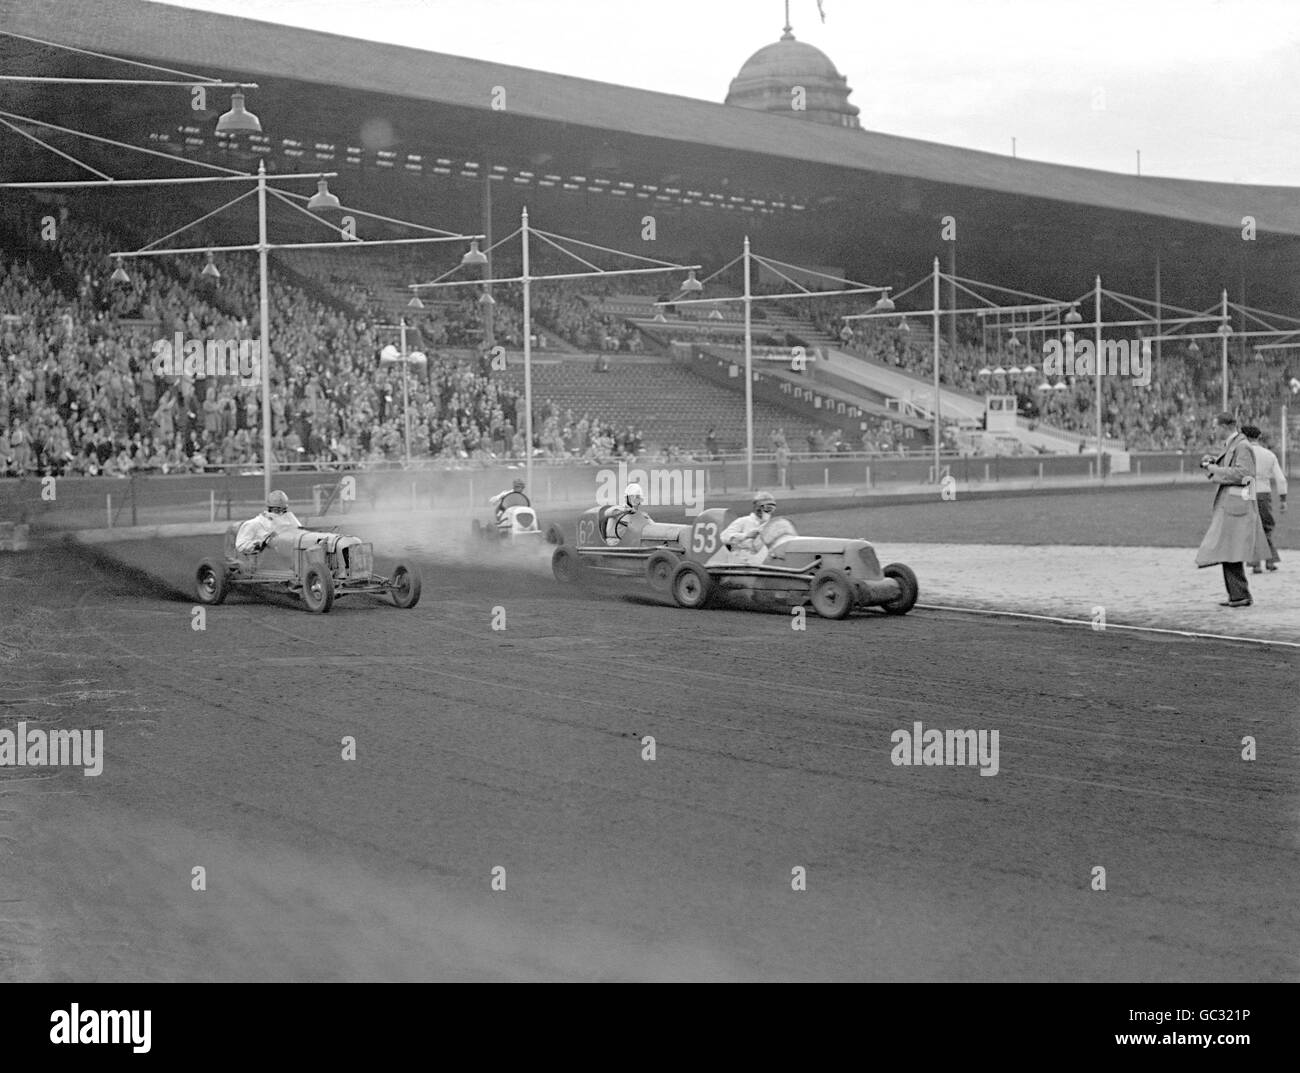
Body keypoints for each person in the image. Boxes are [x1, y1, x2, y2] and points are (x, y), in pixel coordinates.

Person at [1194, 413, 1271, 607]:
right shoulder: (1234, 445)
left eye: (1215, 426)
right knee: (1229, 550)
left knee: (1230, 550)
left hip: (1236, 506)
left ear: (1225, 426)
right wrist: (1213, 464)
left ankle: (1240, 595)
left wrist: (1215, 470)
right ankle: (1237, 595)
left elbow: (1244, 474)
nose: (1213, 430)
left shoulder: (1241, 446)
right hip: (1234, 504)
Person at [1242, 424, 1286, 573]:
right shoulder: (1269, 455)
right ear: (1258, 437)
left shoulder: (1242, 453)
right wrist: (1283, 499)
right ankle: (1270, 561)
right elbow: (1280, 479)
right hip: (1264, 492)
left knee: (1252, 527)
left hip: (1248, 489)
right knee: (1267, 527)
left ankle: (1255, 563)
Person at [720, 491, 784, 565]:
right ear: (755, 507)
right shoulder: (743, 521)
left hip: (766, 564)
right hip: (741, 563)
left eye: (768, 507)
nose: (763, 510)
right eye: (760, 506)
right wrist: (746, 535)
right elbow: (723, 537)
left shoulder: (773, 525)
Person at [235, 489, 303, 554]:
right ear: (269, 508)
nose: (280, 513)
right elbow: (240, 545)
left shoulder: (287, 523)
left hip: (284, 561)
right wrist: (262, 543)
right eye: (277, 510)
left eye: (283, 510)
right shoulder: (254, 524)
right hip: (262, 562)